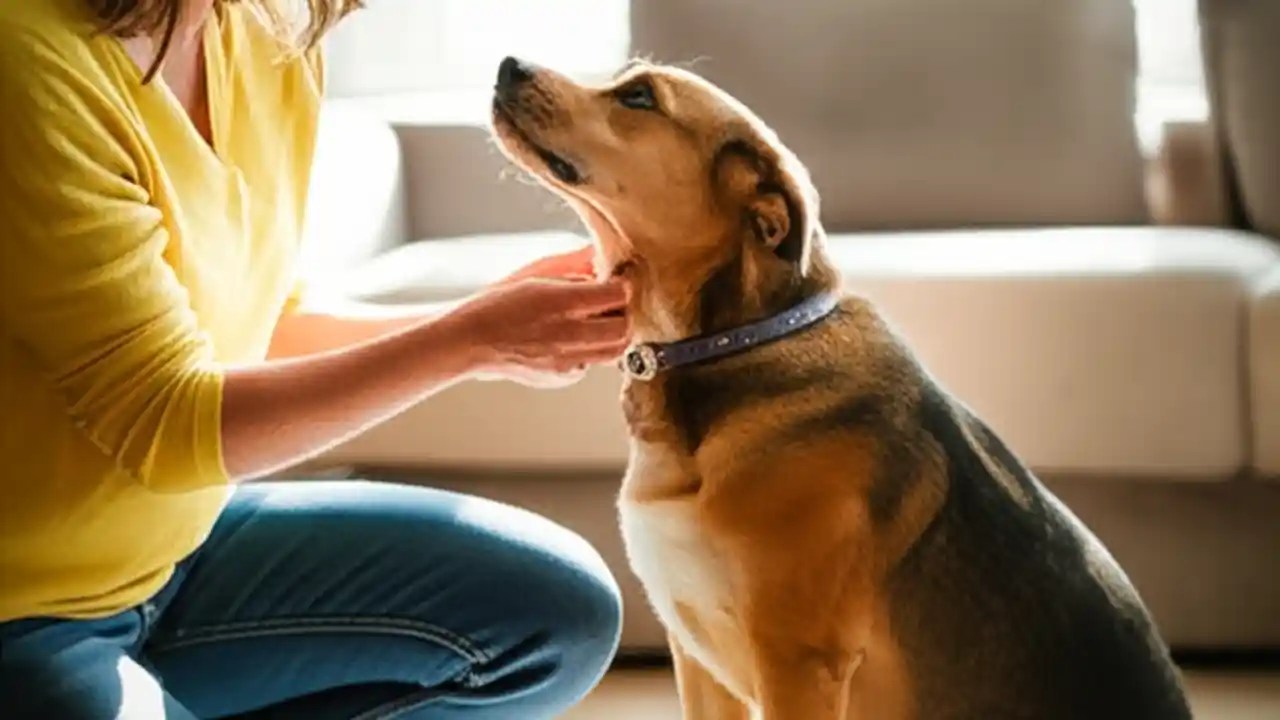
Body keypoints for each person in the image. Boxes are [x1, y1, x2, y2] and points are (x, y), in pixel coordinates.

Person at [0, 0, 632, 717]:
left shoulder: (265, 37)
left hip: (176, 560)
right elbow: (167, 425)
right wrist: (469, 340)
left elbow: (266, 327)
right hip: (26, 610)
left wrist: (480, 324)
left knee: (554, 615)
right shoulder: (27, 61)